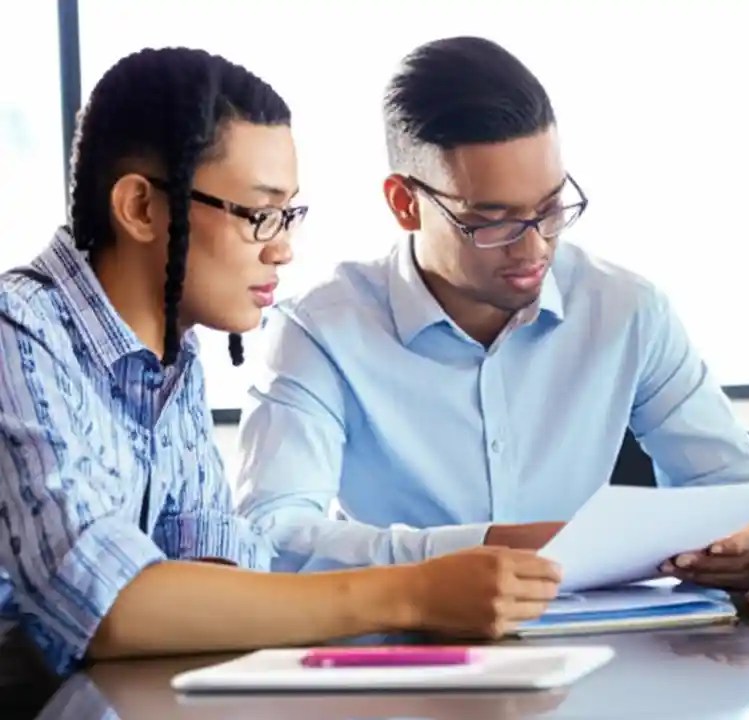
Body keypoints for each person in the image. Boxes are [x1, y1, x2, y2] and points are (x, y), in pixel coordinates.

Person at [0, 47, 560, 676]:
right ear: (139, 208)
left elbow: (220, 576)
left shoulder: (169, 359)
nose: (284, 250)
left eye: (287, 214)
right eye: (260, 216)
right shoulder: (17, 333)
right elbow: (109, 607)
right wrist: (416, 591)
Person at [233, 36, 749, 590]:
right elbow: (271, 539)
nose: (534, 250)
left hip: (607, 652)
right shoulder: (318, 330)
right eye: (494, 220)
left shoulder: (626, 310)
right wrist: (482, 550)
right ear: (405, 204)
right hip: (411, 654)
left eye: (552, 208)